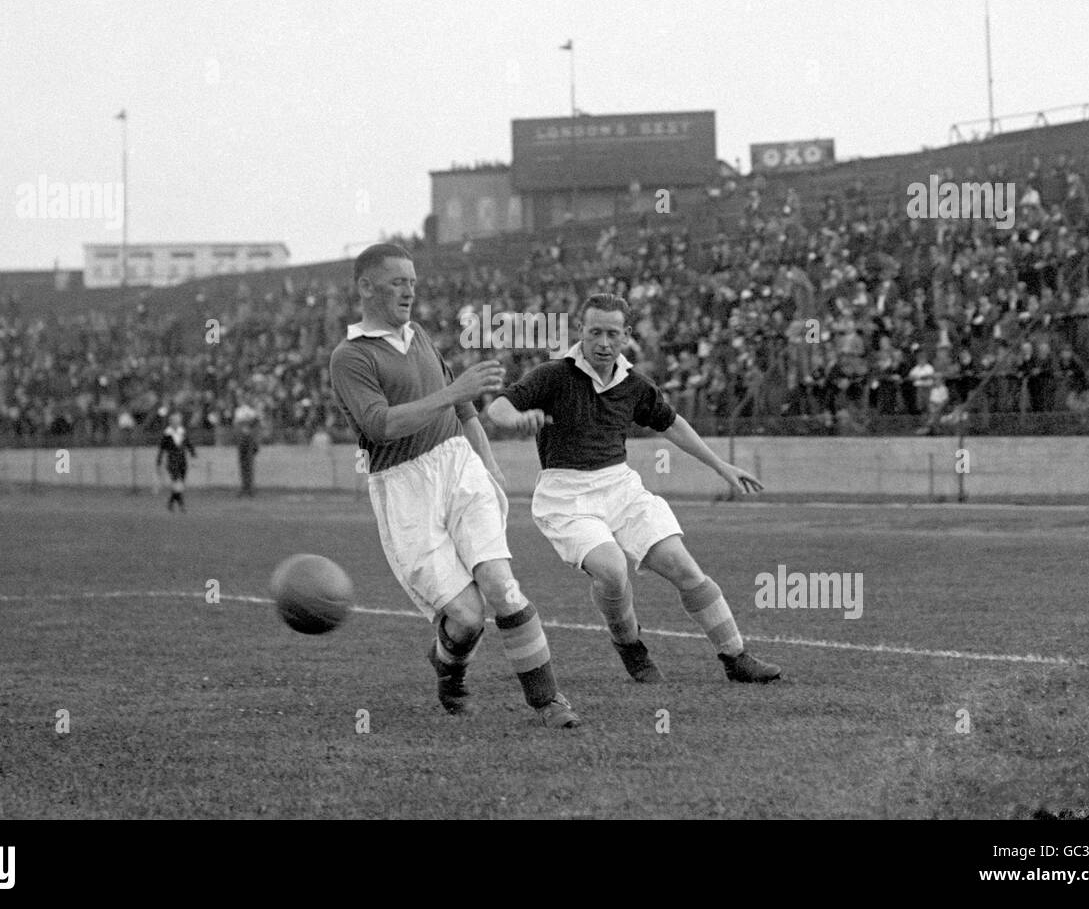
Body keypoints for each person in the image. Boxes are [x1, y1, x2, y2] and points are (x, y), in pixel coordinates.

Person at [330, 243, 581, 728]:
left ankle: (549, 701)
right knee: (466, 617)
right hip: (403, 486)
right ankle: (449, 671)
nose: (410, 290)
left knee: (502, 587)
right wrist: (453, 391)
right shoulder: (350, 356)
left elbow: (464, 410)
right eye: (398, 281)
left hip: (459, 465)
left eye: (413, 281)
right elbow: (380, 425)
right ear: (365, 286)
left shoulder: (419, 335)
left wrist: (488, 464)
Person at [487, 293, 782, 686]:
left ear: (626, 334)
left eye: (612, 334)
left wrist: (720, 465)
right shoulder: (553, 375)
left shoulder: (634, 385)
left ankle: (736, 657)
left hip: (621, 486)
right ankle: (629, 645)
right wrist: (519, 418)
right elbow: (499, 407)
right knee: (612, 570)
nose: (604, 343)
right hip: (567, 495)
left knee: (685, 569)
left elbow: (672, 424)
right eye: (595, 333)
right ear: (580, 331)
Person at [156, 411, 196, 512]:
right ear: (171, 422)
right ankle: (182, 506)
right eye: (176, 420)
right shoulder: (167, 434)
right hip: (172, 461)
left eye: (178, 421)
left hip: (182, 460)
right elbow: (162, 448)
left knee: (180, 484)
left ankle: (170, 503)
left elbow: (188, 443)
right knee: (177, 483)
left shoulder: (182, 432)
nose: (177, 422)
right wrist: (159, 460)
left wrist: (193, 453)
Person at [236, 414, 260, 498]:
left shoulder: (246, 434)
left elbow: (243, 446)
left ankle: (247, 490)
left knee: (246, 473)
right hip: (247, 456)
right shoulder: (249, 434)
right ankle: (248, 490)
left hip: (245, 456)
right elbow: (255, 447)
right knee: (247, 473)